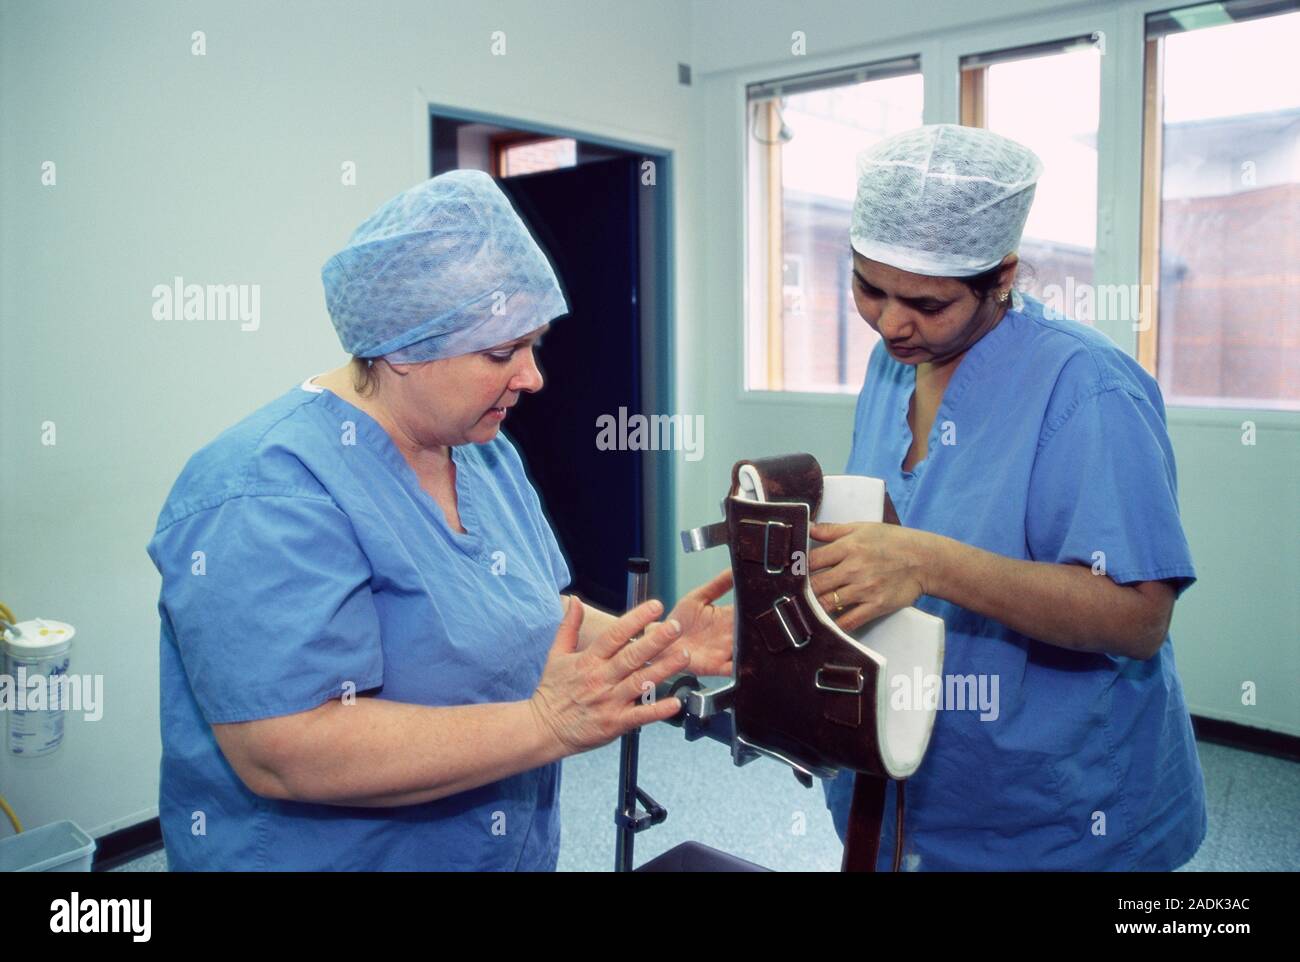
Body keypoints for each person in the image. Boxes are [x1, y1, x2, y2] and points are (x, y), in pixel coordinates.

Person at [146, 170, 733, 871]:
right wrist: (544, 724)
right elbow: (286, 751)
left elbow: (534, 612)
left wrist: (665, 645)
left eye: (535, 344)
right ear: (402, 346)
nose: (534, 377)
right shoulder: (263, 490)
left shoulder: (482, 454)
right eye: (501, 352)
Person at [808, 124, 1206, 870]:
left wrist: (931, 565)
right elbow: (899, 516)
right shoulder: (895, 364)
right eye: (869, 288)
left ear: (1002, 278)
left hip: (1060, 814)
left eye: (926, 303)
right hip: (915, 779)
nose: (892, 324)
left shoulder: (1087, 389)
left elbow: (1139, 615)